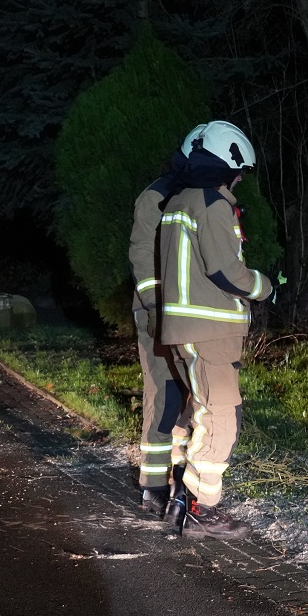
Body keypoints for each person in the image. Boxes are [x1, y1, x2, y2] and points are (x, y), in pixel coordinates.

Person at [158, 120, 273, 540]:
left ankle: (177, 497)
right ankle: (199, 508)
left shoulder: (177, 202)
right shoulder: (211, 204)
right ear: (226, 164)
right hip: (209, 329)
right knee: (222, 416)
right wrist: (267, 287)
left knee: (196, 411)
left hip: (182, 328)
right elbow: (227, 271)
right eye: (239, 171)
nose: (241, 180)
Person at [128, 123, 205, 517]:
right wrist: (156, 308)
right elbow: (143, 255)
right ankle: (153, 486)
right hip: (158, 311)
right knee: (164, 396)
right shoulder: (155, 198)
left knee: (196, 396)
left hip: (190, 315)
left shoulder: (200, 198)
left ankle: (181, 473)